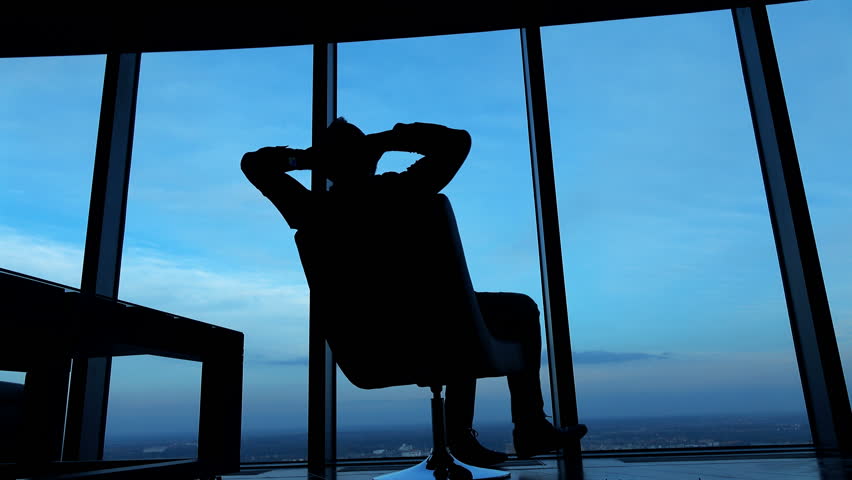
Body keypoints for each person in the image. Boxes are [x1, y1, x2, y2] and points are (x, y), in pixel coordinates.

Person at [241, 117, 588, 466]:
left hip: (367, 344)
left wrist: (307, 158)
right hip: (436, 323)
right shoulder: (406, 190)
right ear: (370, 158)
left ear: (327, 167)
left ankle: (465, 437)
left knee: (457, 316)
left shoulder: (311, 211)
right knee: (513, 309)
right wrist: (384, 139)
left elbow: (253, 164)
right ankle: (525, 425)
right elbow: (457, 141)